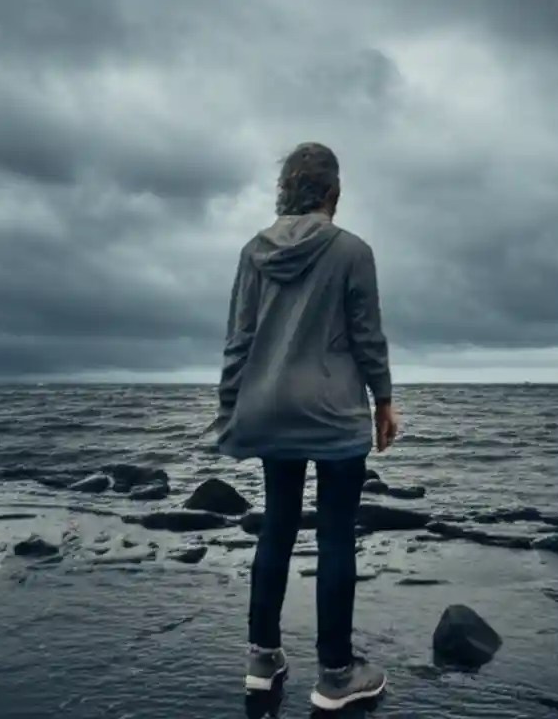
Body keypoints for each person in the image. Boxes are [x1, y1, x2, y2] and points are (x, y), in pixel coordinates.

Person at [212, 141, 400, 710]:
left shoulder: (252, 252)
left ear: (284, 193)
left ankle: (263, 659)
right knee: (337, 532)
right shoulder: (352, 251)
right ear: (333, 194)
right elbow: (366, 336)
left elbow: (238, 338)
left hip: (270, 406)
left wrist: (229, 406)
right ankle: (337, 674)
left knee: (278, 524)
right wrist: (384, 400)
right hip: (333, 412)